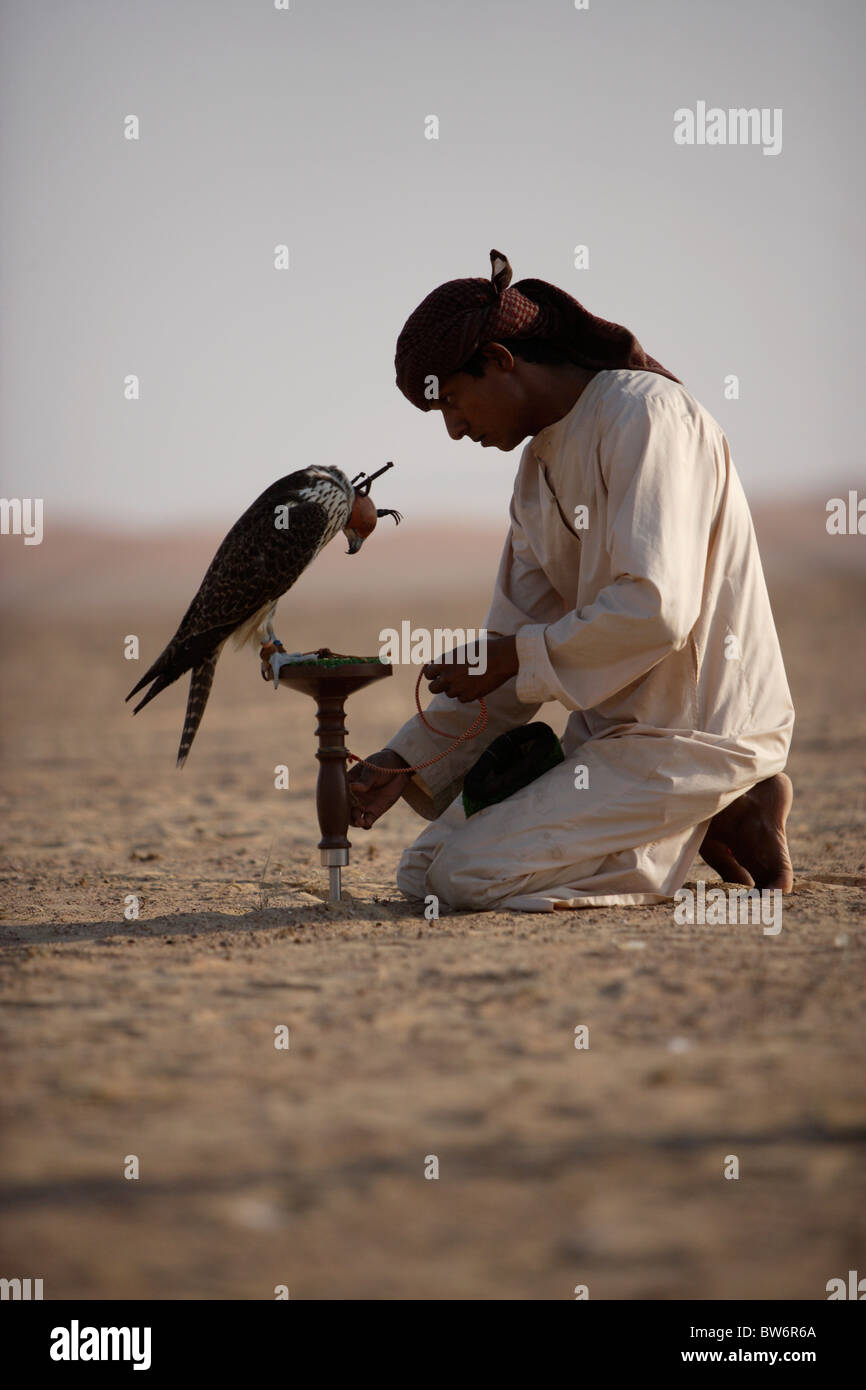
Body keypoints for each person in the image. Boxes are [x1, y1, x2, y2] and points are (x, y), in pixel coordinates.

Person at [347, 249, 794, 912]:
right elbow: (505, 658)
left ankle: (721, 796)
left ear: (500, 360)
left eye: (453, 403)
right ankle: (711, 812)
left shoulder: (646, 418)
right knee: (423, 873)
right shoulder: (538, 475)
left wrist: (517, 657)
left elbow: (657, 608)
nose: (454, 429)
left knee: (464, 879)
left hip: (693, 734)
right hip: (611, 743)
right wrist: (404, 758)